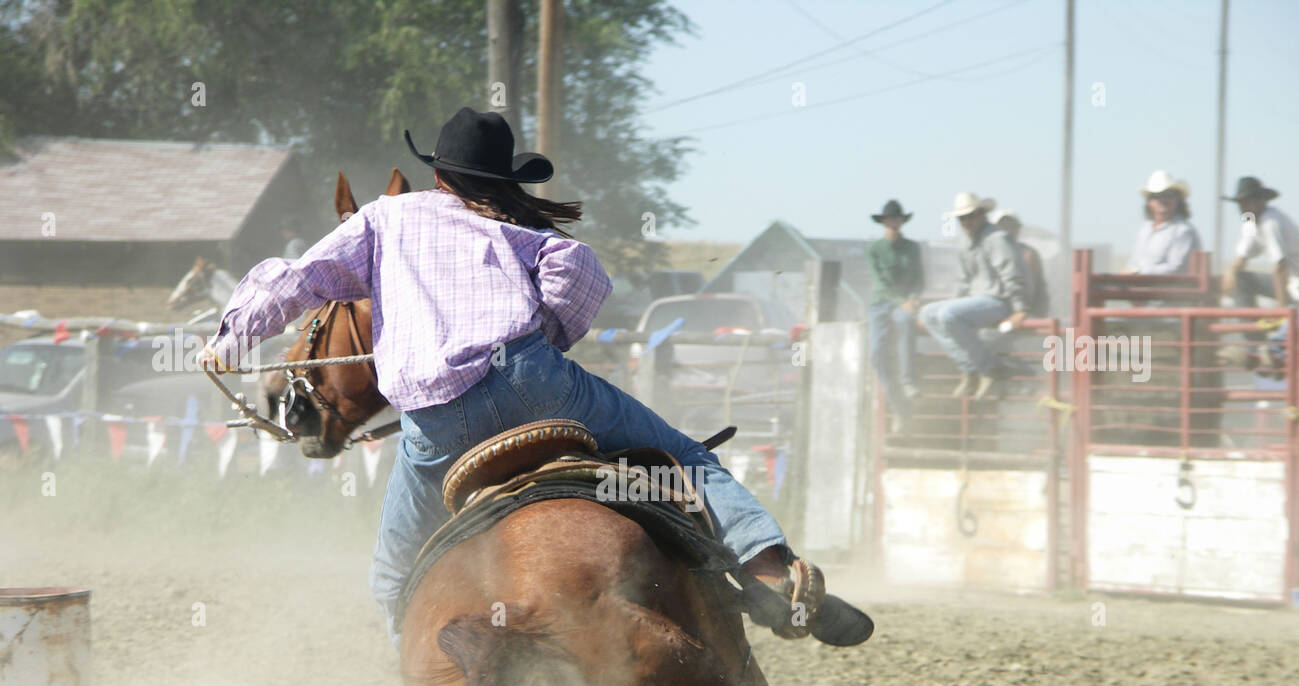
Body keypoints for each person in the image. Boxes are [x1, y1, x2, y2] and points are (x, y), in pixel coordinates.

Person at [202, 107, 870, 648]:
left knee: (391, 574)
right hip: (533, 383)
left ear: (438, 174)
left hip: (437, 426)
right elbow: (580, 269)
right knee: (686, 457)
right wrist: (545, 333)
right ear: (501, 178)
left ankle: (424, 669)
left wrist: (233, 339)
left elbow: (298, 280)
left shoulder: (385, 218)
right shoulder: (514, 227)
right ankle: (770, 575)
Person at [919, 193, 1027, 400]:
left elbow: (1011, 274)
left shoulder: (997, 239)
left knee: (948, 315)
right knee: (927, 314)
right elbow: (963, 281)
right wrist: (954, 302)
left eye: (970, 216)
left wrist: (1020, 308)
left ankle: (988, 368)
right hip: (978, 301)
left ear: (981, 215)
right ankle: (970, 368)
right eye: (962, 218)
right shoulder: (966, 243)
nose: (966, 222)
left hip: (998, 301)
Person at [866, 200, 924, 433]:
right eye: (890, 219)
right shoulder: (874, 249)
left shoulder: (912, 248)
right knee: (877, 354)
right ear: (884, 222)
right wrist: (902, 302)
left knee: (906, 322)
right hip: (881, 303)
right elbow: (880, 282)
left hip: (904, 304)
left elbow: (919, 278)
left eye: (897, 219)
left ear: (902, 221)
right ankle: (899, 408)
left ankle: (908, 380)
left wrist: (914, 298)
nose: (893, 223)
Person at [1222, 176, 1299, 307]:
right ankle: (1247, 318)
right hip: (1290, 282)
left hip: (1295, 282)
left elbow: (1281, 266)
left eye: (1246, 202)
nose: (1243, 208)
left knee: (1242, 280)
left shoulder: (1270, 222)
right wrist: (1230, 272)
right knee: (1239, 278)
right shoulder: (1251, 222)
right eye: (1241, 203)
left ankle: (1247, 320)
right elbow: (1243, 255)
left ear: (1260, 201)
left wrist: (1281, 308)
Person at [1122, 171, 1201, 276]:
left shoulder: (1183, 231)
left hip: (1168, 287)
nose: (1162, 199)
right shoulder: (1145, 230)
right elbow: (1133, 263)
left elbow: (1176, 268)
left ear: (1177, 199)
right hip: (1141, 284)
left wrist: (1137, 271)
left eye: (1168, 194)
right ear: (1149, 201)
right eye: (1156, 195)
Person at [990, 209, 1049, 316]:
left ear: (1017, 229)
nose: (1006, 230)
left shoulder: (1029, 254)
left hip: (1025, 313)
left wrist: (1038, 314)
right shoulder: (986, 254)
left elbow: (1040, 288)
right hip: (993, 313)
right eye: (1002, 226)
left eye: (1010, 226)